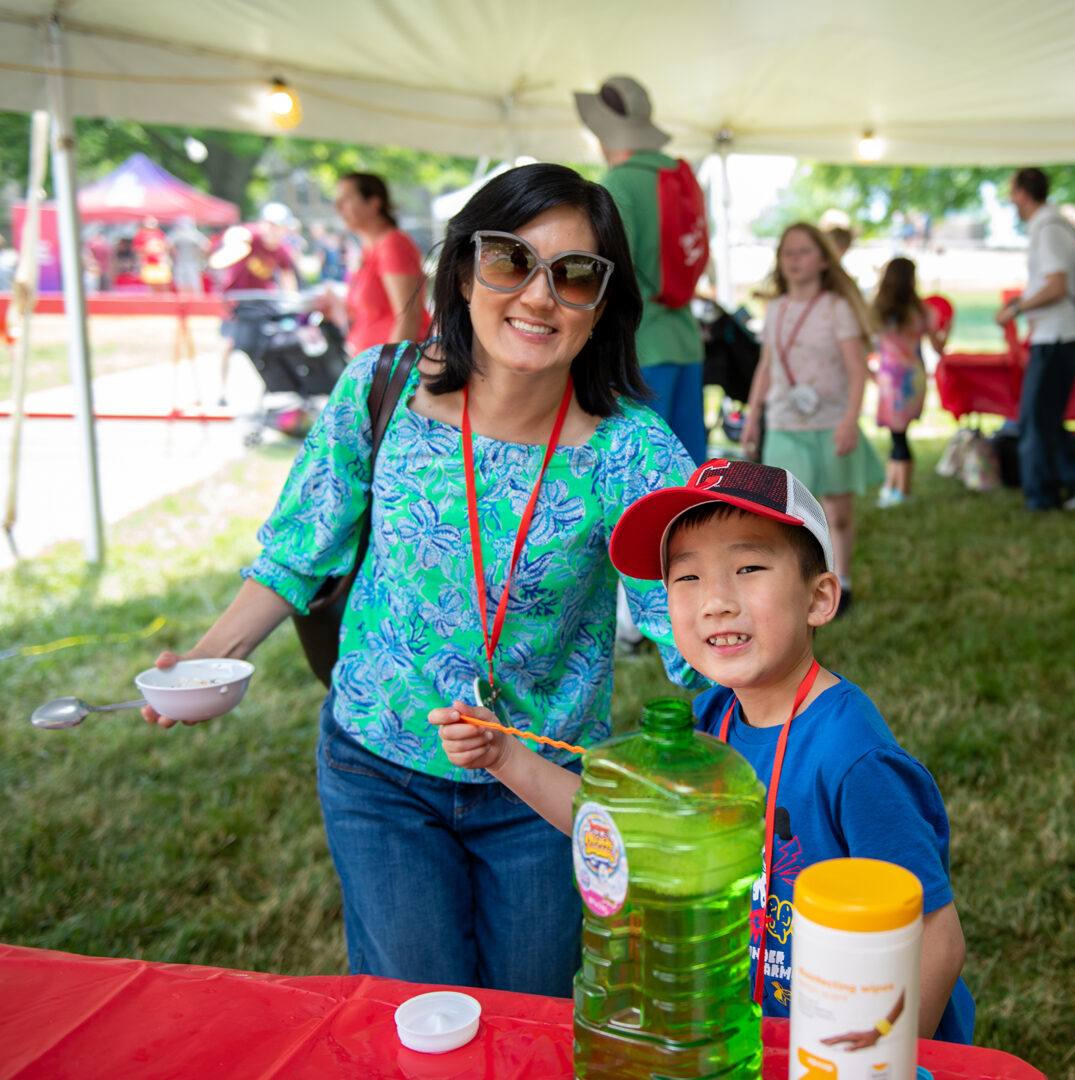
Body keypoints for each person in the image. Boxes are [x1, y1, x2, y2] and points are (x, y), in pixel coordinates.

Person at [141, 163, 704, 995]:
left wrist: (799, 721)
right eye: (511, 260)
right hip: (379, 770)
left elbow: (692, 630)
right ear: (465, 269)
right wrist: (205, 661)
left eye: (574, 274)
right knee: (415, 1015)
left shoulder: (633, 452)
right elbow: (300, 551)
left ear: (603, 304)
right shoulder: (382, 387)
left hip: (542, 787)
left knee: (526, 1023)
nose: (539, 297)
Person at [430, 458, 974, 1043]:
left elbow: (938, 936)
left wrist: (884, 1061)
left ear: (818, 599)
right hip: (738, 1038)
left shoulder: (852, 759)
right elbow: (614, 822)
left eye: (748, 567)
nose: (716, 601)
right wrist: (504, 757)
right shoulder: (709, 725)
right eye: (687, 578)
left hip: (846, 1048)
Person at [740, 224, 877, 616]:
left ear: (822, 259)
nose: (795, 261)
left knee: (837, 511)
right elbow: (765, 367)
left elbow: (856, 370)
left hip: (831, 423)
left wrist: (851, 420)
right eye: (788, 253)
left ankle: (842, 579)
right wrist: (754, 415)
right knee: (787, 514)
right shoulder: (777, 309)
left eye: (803, 252)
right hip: (785, 423)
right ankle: (793, 583)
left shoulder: (837, 308)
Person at [575, 75, 707, 467]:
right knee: (689, 468)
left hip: (641, 345)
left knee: (640, 466)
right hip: (685, 338)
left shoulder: (619, 183)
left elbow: (608, 274)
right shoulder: (680, 175)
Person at [994, 167, 1075, 513]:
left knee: (1033, 420)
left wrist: (1016, 308)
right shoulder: (1050, 225)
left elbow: (1056, 287)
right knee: (1042, 418)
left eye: (1013, 193)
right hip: (1055, 335)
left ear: (1023, 194)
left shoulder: (1048, 227)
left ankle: (1044, 496)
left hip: (1057, 336)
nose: (1011, 201)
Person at [872, 257, 946, 507]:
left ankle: (900, 491)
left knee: (898, 436)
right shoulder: (922, 311)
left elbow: (867, 344)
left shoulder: (880, 311)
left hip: (891, 379)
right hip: (913, 377)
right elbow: (939, 345)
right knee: (899, 435)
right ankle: (893, 485)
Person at [211, 205, 300, 406]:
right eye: (270, 225)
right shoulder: (249, 236)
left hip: (261, 304)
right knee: (227, 345)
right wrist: (234, 241)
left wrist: (290, 299)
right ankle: (221, 390)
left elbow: (288, 276)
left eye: (279, 226)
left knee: (266, 347)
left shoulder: (281, 250)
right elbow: (235, 234)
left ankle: (269, 389)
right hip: (236, 302)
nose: (273, 230)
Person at [333, 172, 430, 355]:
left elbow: (409, 316)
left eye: (347, 199)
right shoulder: (369, 248)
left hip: (389, 371)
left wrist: (389, 375)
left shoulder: (392, 245)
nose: (338, 207)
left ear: (374, 203)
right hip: (368, 363)